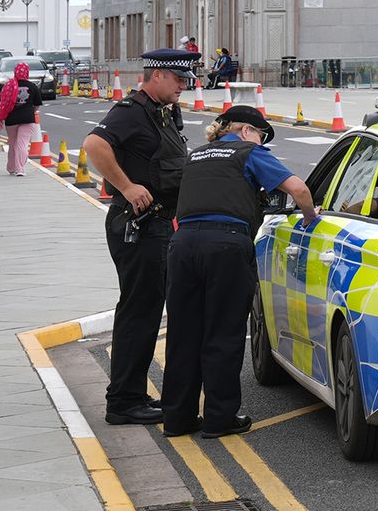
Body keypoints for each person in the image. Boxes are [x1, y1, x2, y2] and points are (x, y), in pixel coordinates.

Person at [162, 105, 316, 439]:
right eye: (261, 136)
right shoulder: (248, 152)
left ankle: (177, 419)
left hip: (183, 245)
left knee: (183, 335)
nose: (261, 142)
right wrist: (309, 218)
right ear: (246, 131)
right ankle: (219, 419)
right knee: (223, 333)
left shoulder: (196, 155)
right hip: (226, 245)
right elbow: (299, 190)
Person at [81, 48, 195, 427]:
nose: (184, 86)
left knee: (145, 313)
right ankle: (124, 402)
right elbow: (94, 145)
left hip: (157, 225)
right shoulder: (132, 110)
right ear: (157, 75)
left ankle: (131, 394)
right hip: (138, 226)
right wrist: (127, 186)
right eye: (178, 79)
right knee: (138, 314)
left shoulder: (162, 111)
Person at [0, 62, 42, 176]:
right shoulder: (32, 86)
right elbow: (37, 104)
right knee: (22, 144)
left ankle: (11, 167)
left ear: (15, 72)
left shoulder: (9, 86)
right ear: (27, 72)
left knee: (13, 143)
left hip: (11, 119)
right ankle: (20, 168)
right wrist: (32, 111)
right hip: (28, 118)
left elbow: (2, 102)